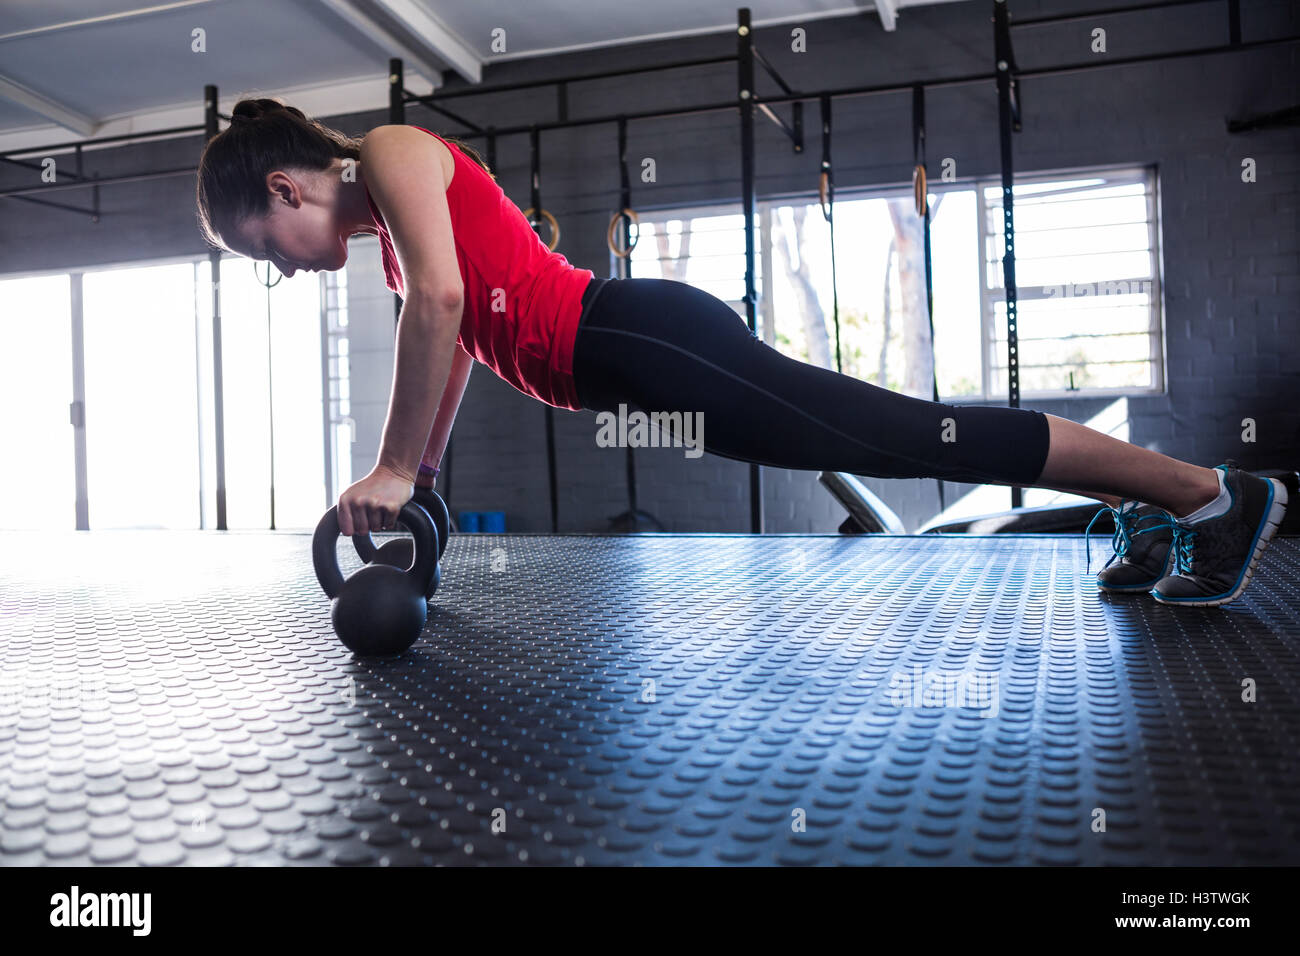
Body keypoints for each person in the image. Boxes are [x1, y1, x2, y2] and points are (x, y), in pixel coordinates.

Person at [195, 98, 1288, 607]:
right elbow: (454, 335)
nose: (283, 267)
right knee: (902, 436)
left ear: (285, 188)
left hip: (638, 338)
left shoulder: (388, 151)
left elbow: (441, 303)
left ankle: (1207, 494)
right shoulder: (390, 237)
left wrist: (390, 472)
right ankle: (1176, 501)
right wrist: (419, 472)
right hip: (631, 353)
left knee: (907, 436)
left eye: (263, 247)